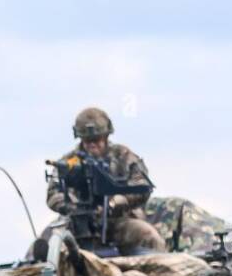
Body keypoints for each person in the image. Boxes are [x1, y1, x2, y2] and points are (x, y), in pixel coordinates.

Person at [47, 107, 165, 255]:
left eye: (97, 140)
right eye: (87, 140)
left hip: (119, 222)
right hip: (78, 225)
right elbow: (53, 193)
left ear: (106, 136)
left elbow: (142, 185)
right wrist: (72, 205)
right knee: (51, 246)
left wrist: (119, 201)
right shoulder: (69, 162)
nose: (92, 144)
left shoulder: (122, 155)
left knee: (150, 237)